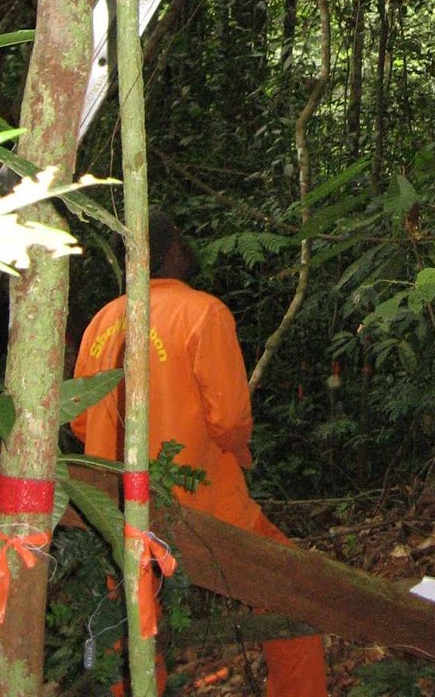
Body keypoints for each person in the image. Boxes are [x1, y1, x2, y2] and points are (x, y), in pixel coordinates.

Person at [71, 215, 328, 697]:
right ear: (168, 251)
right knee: (292, 596)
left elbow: (80, 422)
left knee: (130, 636)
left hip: (117, 512)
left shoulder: (103, 322)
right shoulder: (203, 313)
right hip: (203, 510)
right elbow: (230, 421)